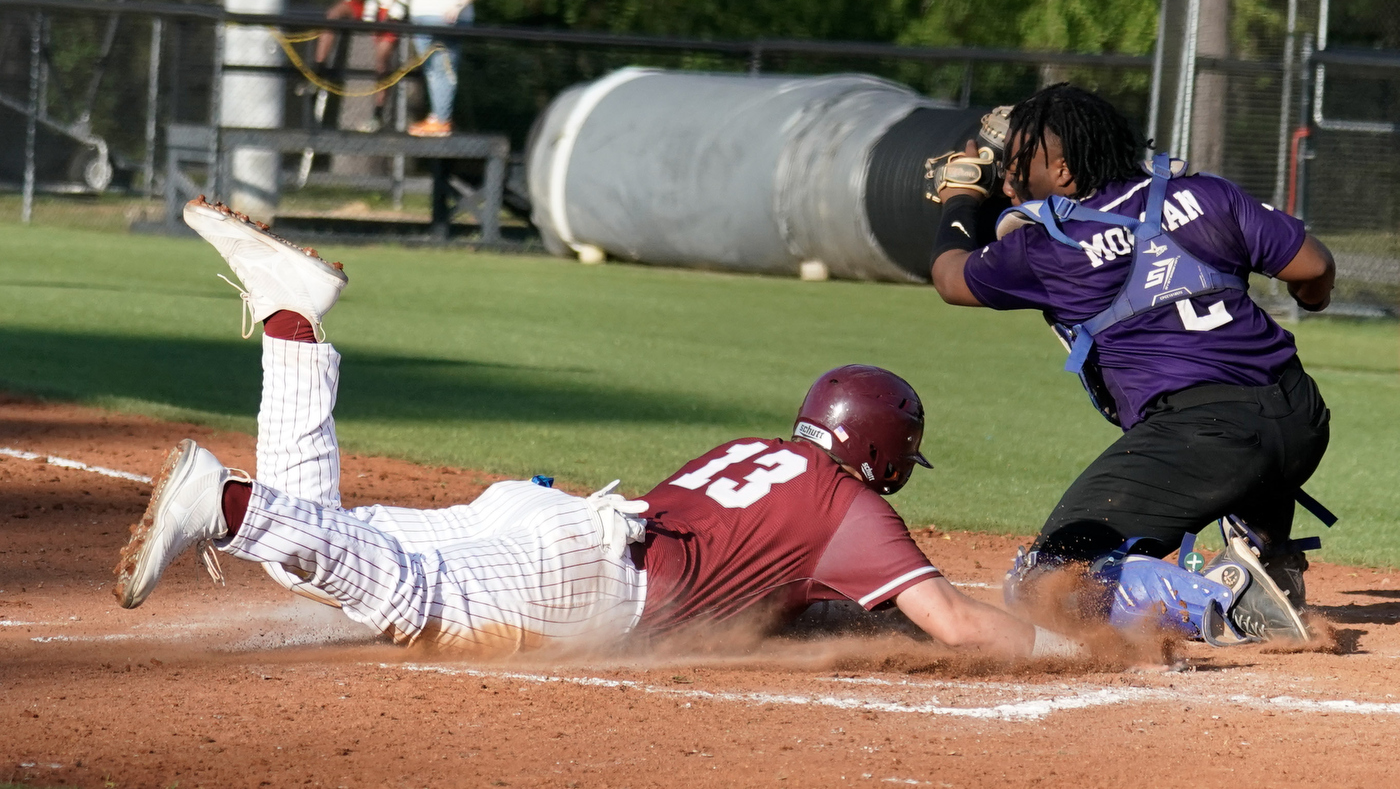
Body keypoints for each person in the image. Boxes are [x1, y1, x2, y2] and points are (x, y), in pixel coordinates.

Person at [111, 197, 1086, 662]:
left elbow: (770, 582)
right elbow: (952, 624)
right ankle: (222, 501)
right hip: (585, 573)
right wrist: (1063, 650)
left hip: (553, 523)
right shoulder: (851, 512)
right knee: (407, 601)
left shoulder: (752, 453)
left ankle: (290, 322)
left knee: (313, 544)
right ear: (879, 451)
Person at [925, 84, 1335, 646]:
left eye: (1019, 164)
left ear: (1065, 172)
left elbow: (951, 278)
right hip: (1300, 416)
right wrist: (1312, 301)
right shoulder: (1205, 193)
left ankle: (1232, 603)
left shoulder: (1046, 248)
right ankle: (1265, 553)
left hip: (1204, 437)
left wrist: (960, 200)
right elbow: (1313, 265)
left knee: (1047, 582)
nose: (1010, 177)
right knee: (1242, 439)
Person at [311, 0, 408, 130]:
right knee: (333, 15)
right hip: (364, 2)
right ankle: (317, 71)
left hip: (388, 6)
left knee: (382, 56)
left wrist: (391, 10)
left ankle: (378, 112)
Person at [402, 0, 486, 137]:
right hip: (421, 15)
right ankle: (438, 116)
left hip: (447, 17)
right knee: (432, 69)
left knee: (443, 67)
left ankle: (441, 120)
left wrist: (458, 5)